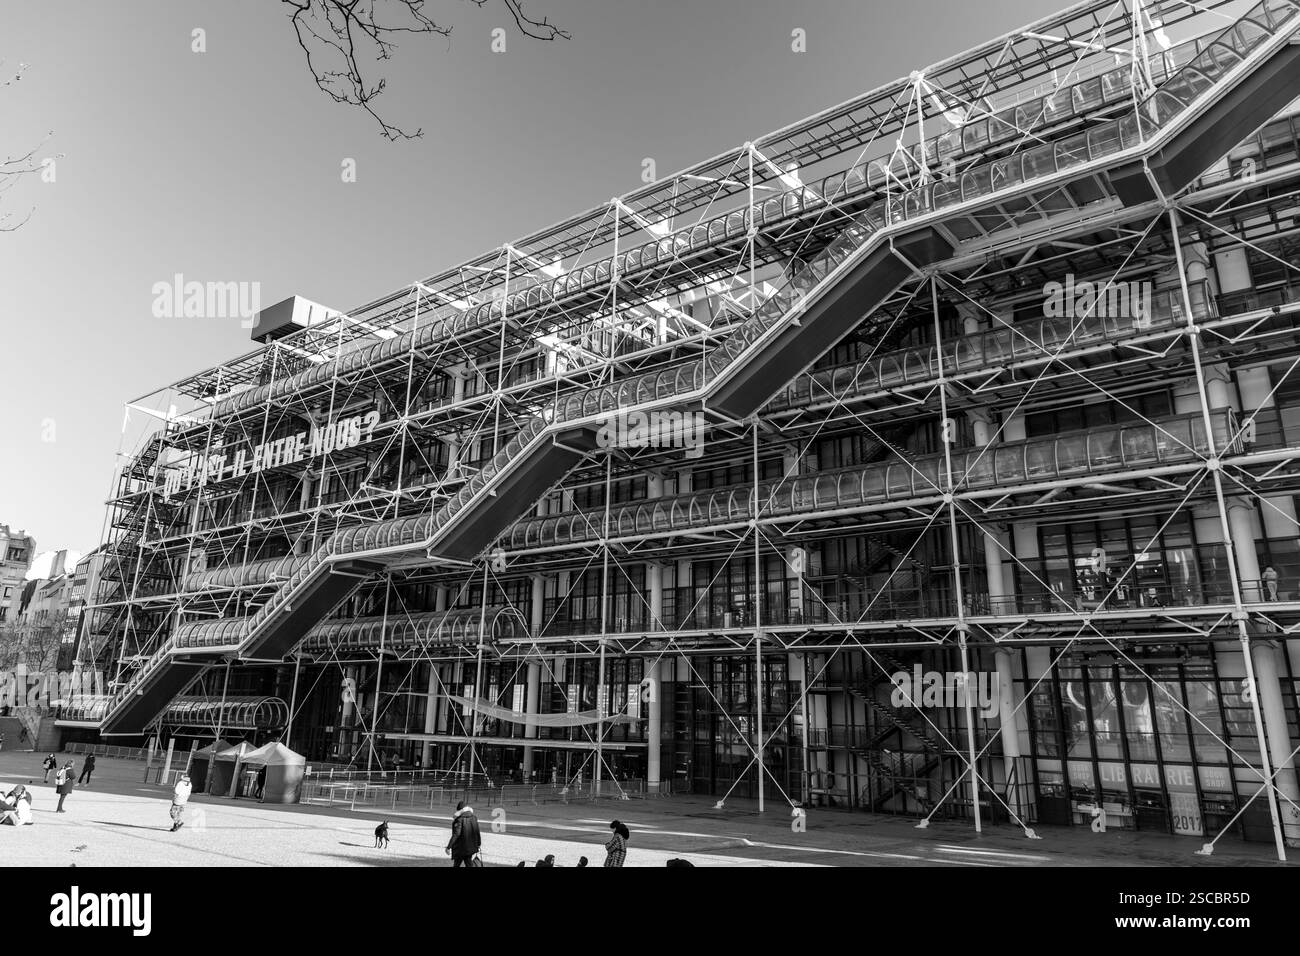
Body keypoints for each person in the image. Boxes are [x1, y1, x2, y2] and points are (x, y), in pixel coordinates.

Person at [445, 800, 481, 867]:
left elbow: (456, 834)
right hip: (470, 847)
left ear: (460, 810)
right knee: (468, 863)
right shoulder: (474, 818)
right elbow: (477, 832)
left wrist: (448, 847)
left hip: (460, 848)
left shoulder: (459, 819)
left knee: (457, 864)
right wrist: (478, 844)